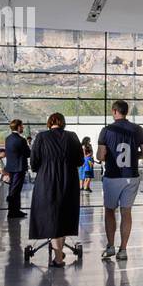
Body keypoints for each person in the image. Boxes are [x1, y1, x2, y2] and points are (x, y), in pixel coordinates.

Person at [96, 100, 143, 261]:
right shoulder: (138, 129)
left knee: (109, 210)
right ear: (126, 112)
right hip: (132, 176)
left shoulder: (106, 130)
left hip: (113, 176)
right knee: (126, 212)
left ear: (114, 111)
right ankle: (123, 250)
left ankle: (111, 246)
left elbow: (100, 156)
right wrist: (135, 155)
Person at [29, 112, 84, 266]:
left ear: (49, 123)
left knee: (51, 216)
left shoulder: (41, 137)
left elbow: (34, 161)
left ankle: (58, 257)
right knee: (65, 215)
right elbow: (80, 160)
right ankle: (59, 253)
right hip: (69, 179)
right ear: (63, 123)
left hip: (47, 180)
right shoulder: (72, 136)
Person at [4, 120, 29, 220]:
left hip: (10, 167)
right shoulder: (21, 140)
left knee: (13, 188)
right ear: (18, 127)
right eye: (22, 126)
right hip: (19, 168)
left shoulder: (8, 139)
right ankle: (13, 211)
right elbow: (28, 153)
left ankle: (14, 210)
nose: (23, 128)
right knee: (16, 190)